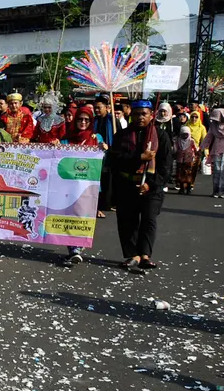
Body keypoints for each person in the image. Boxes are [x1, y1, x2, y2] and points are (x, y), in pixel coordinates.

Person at [110, 99, 171, 272]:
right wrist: (139, 158)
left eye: (144, 114)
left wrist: (151, 185)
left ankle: (145, 255)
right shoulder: (122, 135)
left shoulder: (161, 135)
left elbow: (165, 165)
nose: (140, 118)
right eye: (136, 114)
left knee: (149, 218)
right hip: (127, 184)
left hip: (152, 186)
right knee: (127, 220)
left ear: (151, 115)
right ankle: (133, 255)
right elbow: (115, 160)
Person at [59, 105, 108, 267]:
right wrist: (54, 146)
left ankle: (76, 248)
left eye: (86, 120)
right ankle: (73, 249)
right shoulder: (67, 138)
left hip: (88, 185)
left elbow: (103, 161)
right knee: (70, 215)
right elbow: (57, 156)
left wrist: (105, 150)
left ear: (91, 121)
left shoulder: (96, 138)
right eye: (80, 119)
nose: (83, 122)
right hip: (68, 184)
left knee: (83, 215)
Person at [201, 108, 224, 198]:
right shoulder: (213, 126)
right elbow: (208, 137)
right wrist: (202, 148)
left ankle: (222, 191)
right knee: (217, 170)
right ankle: (216, 190)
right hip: (216, 150)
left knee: (223, 171)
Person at [173, 125, 199, 195]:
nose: (185, 136)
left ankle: (188, 188)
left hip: (189, 161)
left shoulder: (191, 141)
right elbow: (175, 149)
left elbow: (196, 149)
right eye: (183, 134)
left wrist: (196, 154)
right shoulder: (178, 141)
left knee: (188, 175)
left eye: (186, 134)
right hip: (180, 161)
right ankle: (181, 188)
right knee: (180, 175)